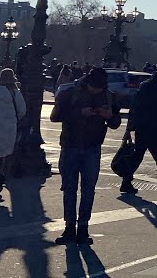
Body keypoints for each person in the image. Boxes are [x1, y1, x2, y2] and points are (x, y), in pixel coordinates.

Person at [50, 67, 120, 245]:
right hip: (71, 146)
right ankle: (69, 227)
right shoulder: (70, 93)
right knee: (70, 188)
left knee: (88, 190)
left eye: (99, 89)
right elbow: (55, 116)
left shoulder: (109, 96)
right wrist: (80, 113)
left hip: (92, 147)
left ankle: (83, 228)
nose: (96, 91)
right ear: (87, 82)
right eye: (94, 88)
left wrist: (109, 116)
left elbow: (115, 123)